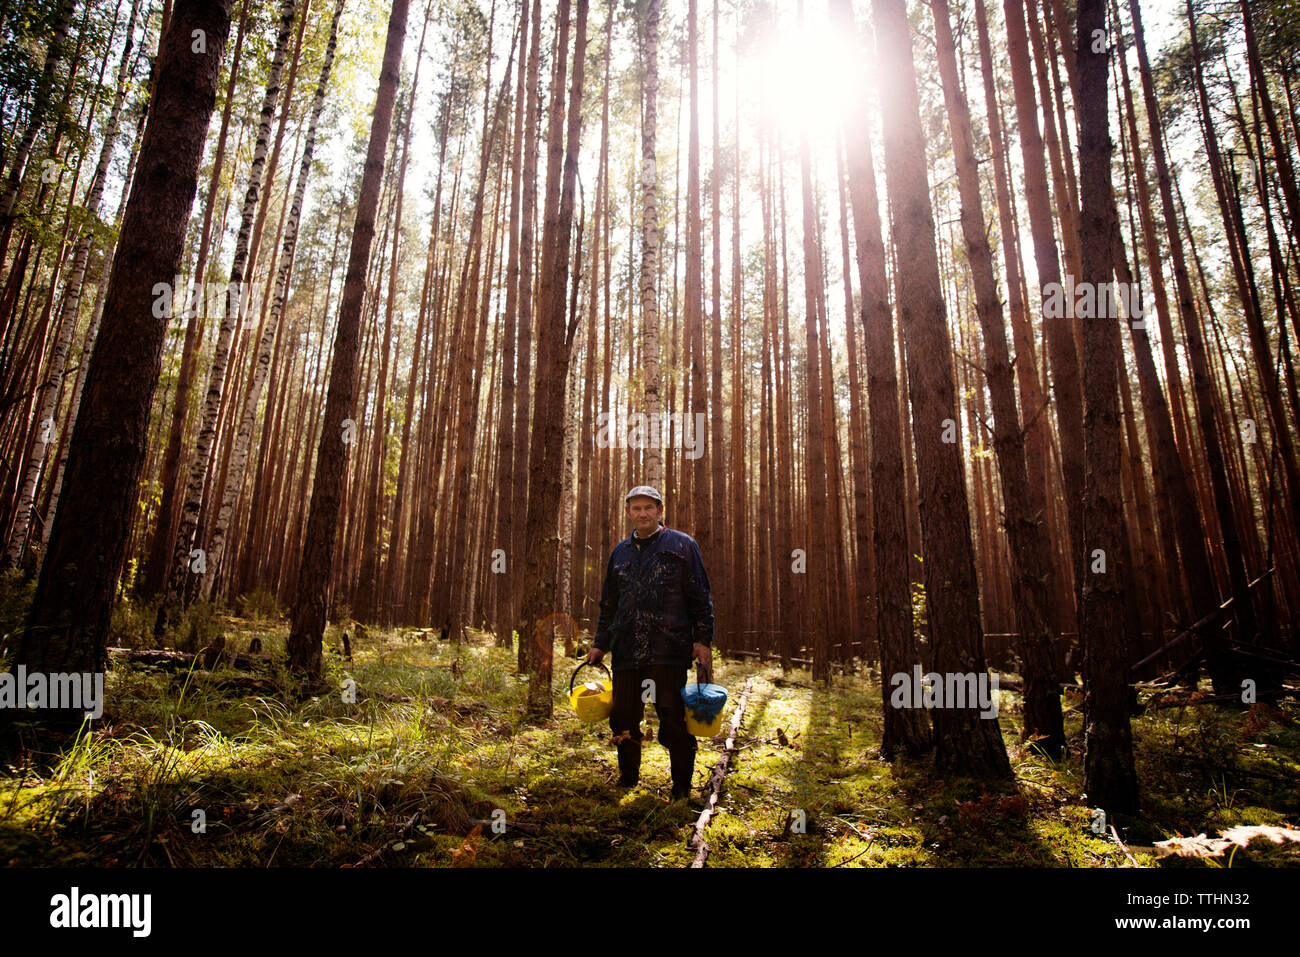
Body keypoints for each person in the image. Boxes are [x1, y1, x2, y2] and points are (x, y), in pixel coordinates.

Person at [586, 485, 714, 801]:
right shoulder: (620, 552)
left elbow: (699, 596)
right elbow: (609, 603)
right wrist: (600, 643)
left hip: (668, 650)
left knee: (673, 719)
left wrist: (702, 640)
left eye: (648, 508)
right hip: (627, 651)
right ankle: (628, 780)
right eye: (636, 508)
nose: (642, 513)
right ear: (629, 512)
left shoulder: (682, 546)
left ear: (659, 510)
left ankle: (681, 788)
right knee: (623, 718)